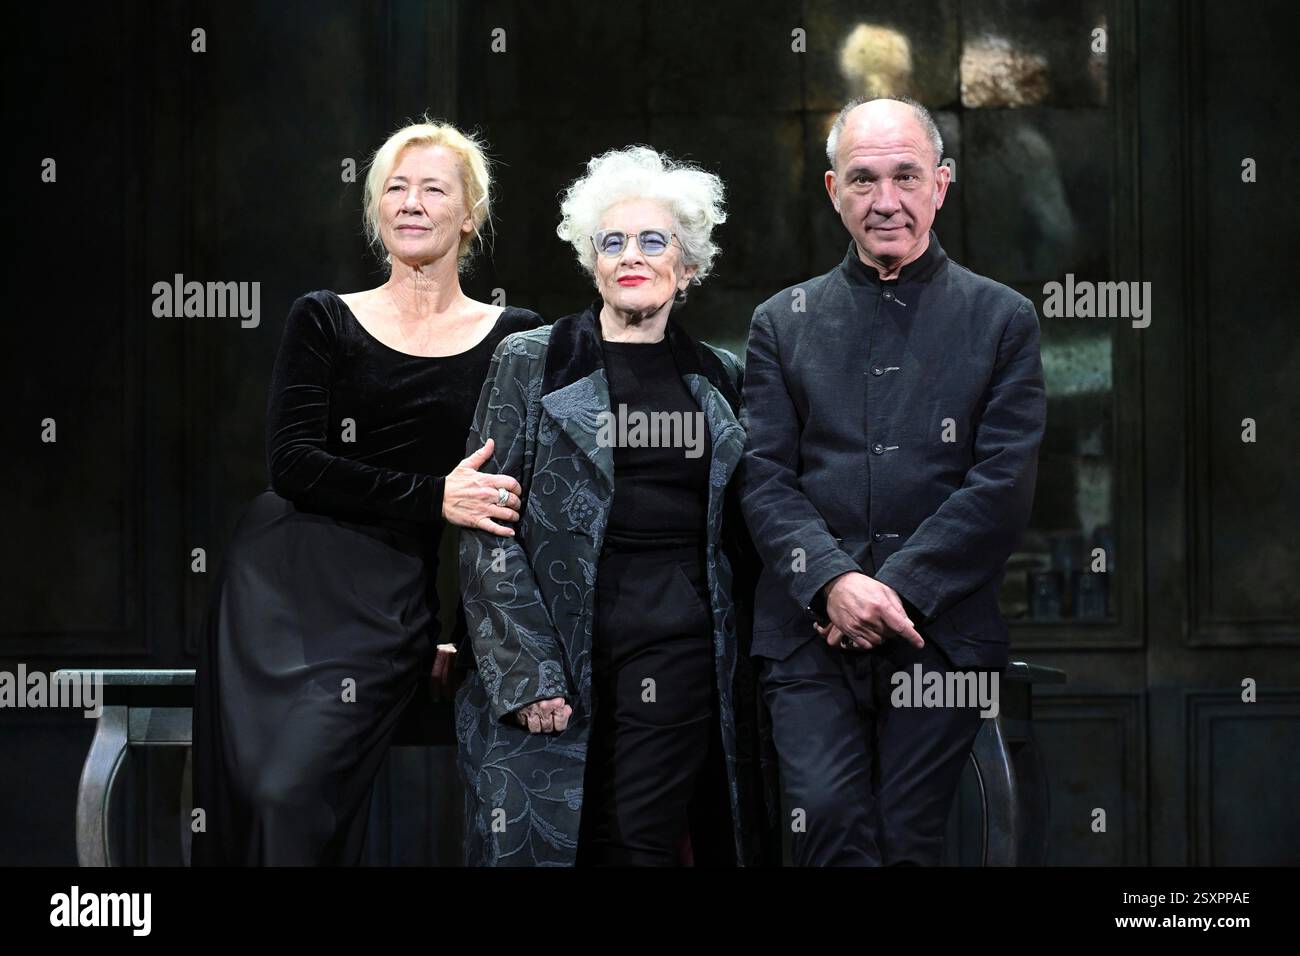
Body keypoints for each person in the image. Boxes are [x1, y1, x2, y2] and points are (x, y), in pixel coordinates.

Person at [192, 119, 542, 865]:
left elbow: (504, 506)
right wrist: (432, 497)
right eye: (395, 188)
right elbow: (292, 464)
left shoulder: (515, 338)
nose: (411, 203)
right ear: (377, 209)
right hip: (277, 581)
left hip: (383, 600)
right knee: (254, 796)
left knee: (292, 795)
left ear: (470, 214)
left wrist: (465, 627)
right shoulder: (324, 316)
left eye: (433, 189)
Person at [740, 96, 1047, 865]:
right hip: (809, 636)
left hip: (941, 636)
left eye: (906, 177)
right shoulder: (781, 322)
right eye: (863, 179)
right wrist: (835, 585)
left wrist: (894, 592)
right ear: (831, 190)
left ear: (941, 184)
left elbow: (1002, 486)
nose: (886, 202)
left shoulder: (1002, 319)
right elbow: (765, 479)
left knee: (910, 841)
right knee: (827, 825)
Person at [455, 146, 771, 866]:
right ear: (592, 260)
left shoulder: (720, 378)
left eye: (653, 240)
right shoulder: (528, 359)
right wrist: (527, 670)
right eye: (613, 241)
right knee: (542, 849)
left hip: (680, 647)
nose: (632, 255)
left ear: (687, 267)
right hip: (556, 642)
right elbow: (484, 525)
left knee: (640, 847)